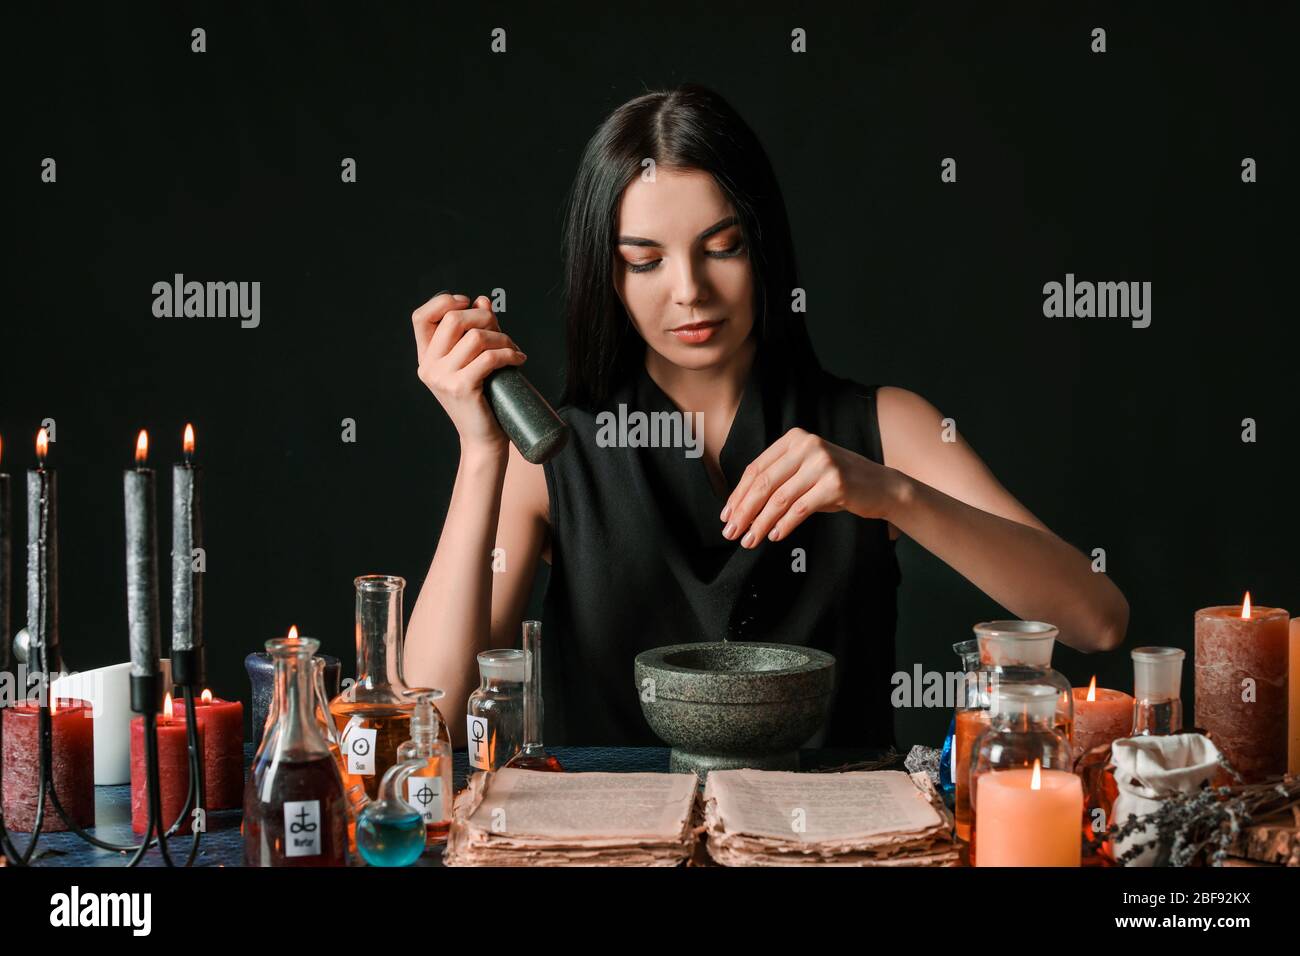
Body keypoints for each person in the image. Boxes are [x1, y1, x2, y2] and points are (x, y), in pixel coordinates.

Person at [404, 84, 1128, 748]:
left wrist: (891, 494)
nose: (689, 290)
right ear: (607, 274)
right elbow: (429, 711)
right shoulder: (554, 457)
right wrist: (478, 450)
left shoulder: (884, 426)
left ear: (764, 247)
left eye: (722, 248)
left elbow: (1097, 619)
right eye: (645, 261)